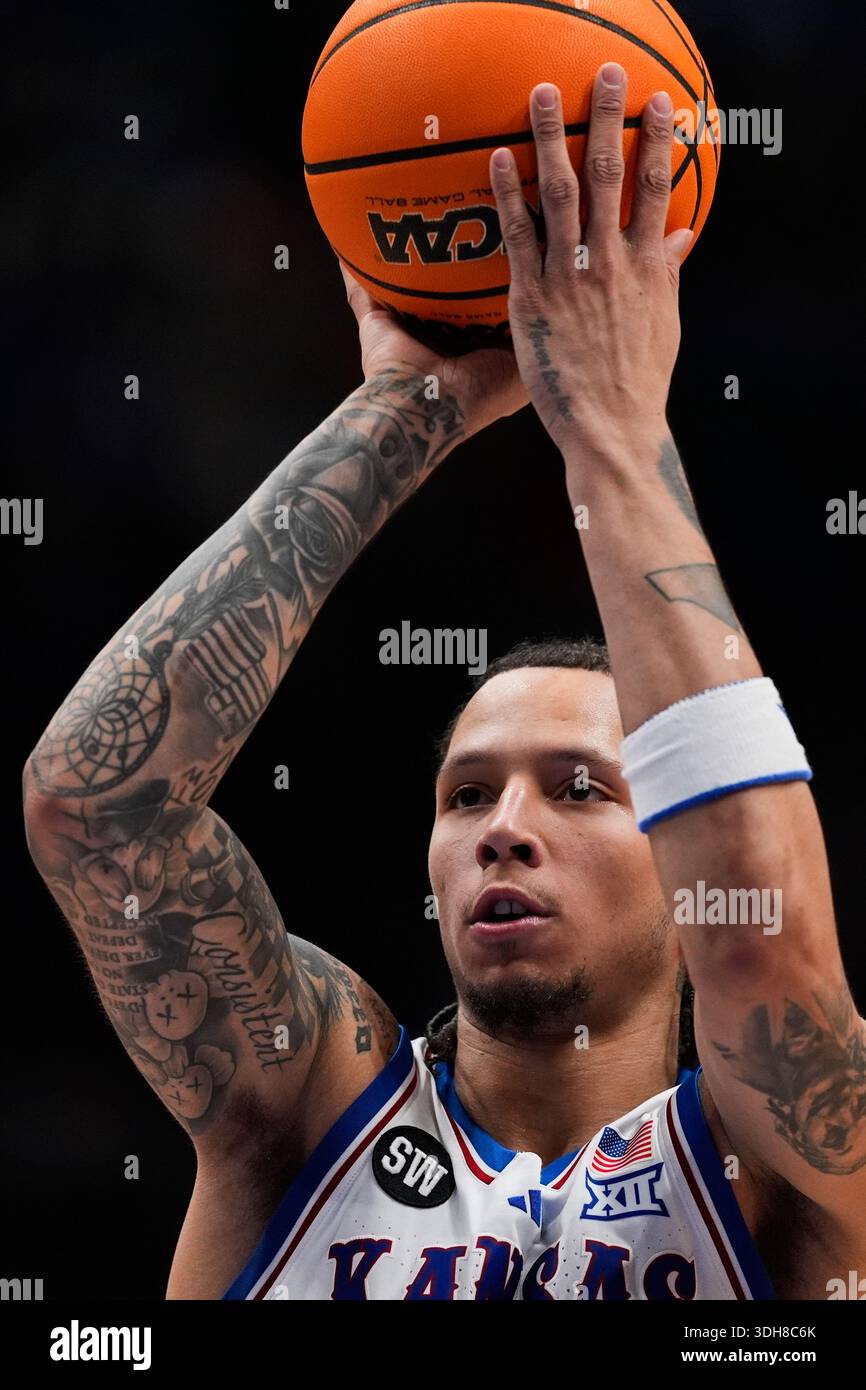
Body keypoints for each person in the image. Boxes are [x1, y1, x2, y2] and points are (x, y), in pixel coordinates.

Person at [23, 65, 866, 1300]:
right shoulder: (308, 1110)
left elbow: (760, 934)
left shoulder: (782, 1171)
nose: (504, 831)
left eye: (580, 788)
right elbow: (95, 805)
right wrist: (404, 408)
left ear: (681, 867)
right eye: (465, 796)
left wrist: (614, 437)